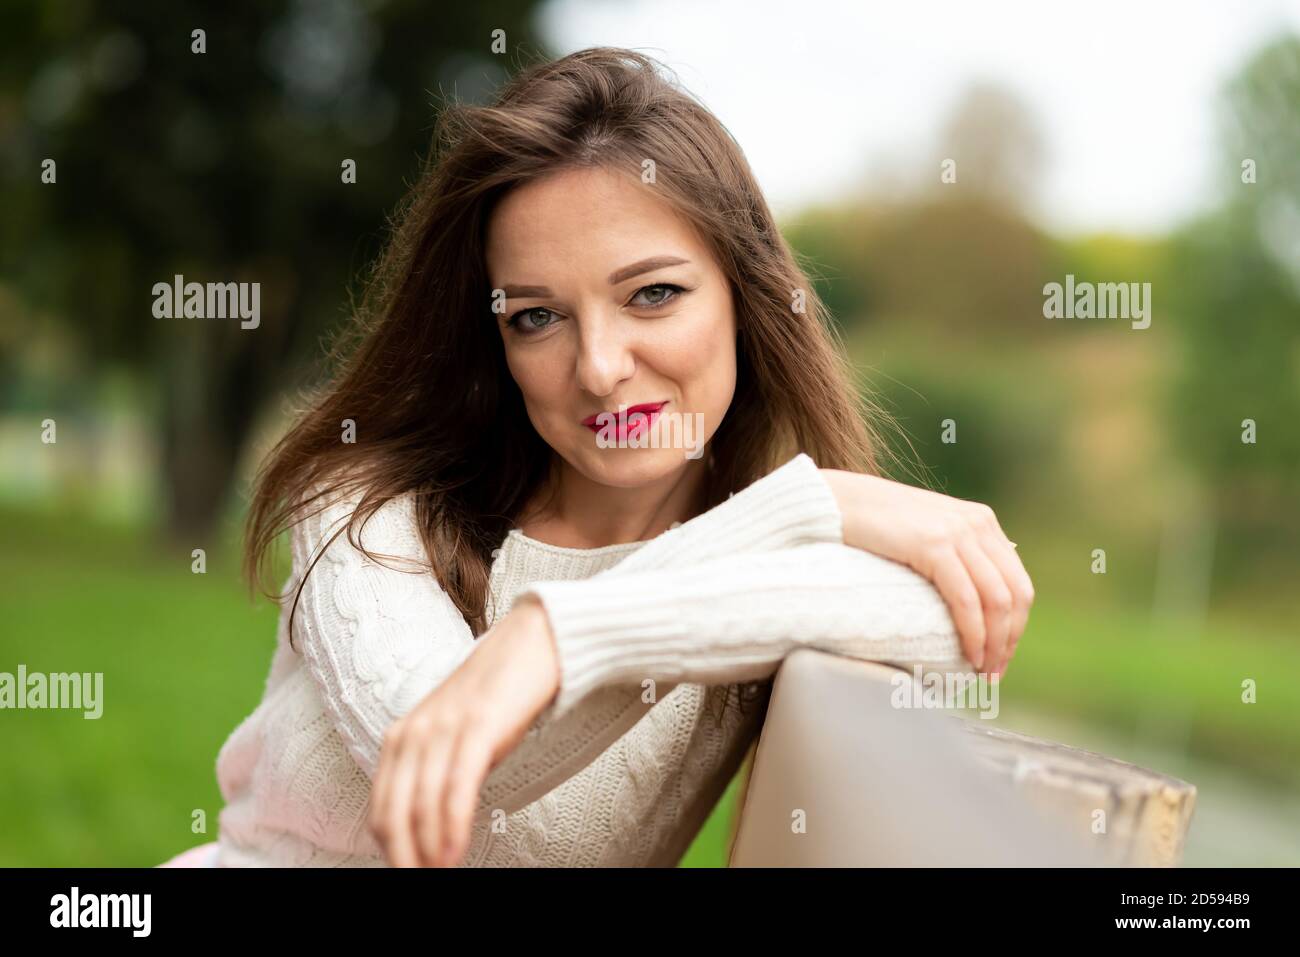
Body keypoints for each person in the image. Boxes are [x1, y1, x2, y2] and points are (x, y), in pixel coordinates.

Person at [212, 47, 1033, 868]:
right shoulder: (364, 497)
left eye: (652, 294)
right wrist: (804, 509)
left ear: (745, 298)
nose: (600, 367)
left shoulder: (770, 558)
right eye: (536, 316)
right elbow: (450, 768)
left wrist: (562, 635)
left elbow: (955, 630)